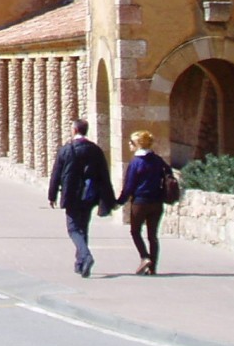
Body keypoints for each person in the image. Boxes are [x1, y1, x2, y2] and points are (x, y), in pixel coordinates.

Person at [48, 118, 113, 278]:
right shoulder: (95, 150)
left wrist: (52, 194)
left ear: (75, 130)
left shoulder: (66, 149)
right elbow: (104, 174)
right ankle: (80, 264)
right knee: (83, 227)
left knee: (73, 229)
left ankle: (86, 256)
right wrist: (108, 198)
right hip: (89, 195)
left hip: (71, 194)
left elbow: (56, 173)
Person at [117, 130, 173, 276]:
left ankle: (145, 257)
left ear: (136, 144)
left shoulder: (136, 162)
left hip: (140, 202)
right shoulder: (158, 160)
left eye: (131, 142)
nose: (129, 145)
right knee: (152, 235)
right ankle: (153, 268)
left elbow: (129, 186)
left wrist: (119, 202)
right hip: (157, 202)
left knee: (135, 231)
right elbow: (169, 174)